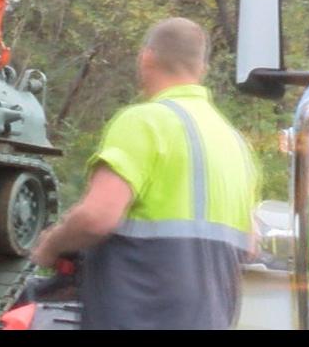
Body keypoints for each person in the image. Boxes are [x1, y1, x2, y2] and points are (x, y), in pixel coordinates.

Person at [29, 17, 260, 329]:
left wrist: (50, 245)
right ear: (202, 69)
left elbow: (97, 217)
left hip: (138, 318)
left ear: (146, 57)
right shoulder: (236, 143)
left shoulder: (144, 122)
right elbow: (249, 246)